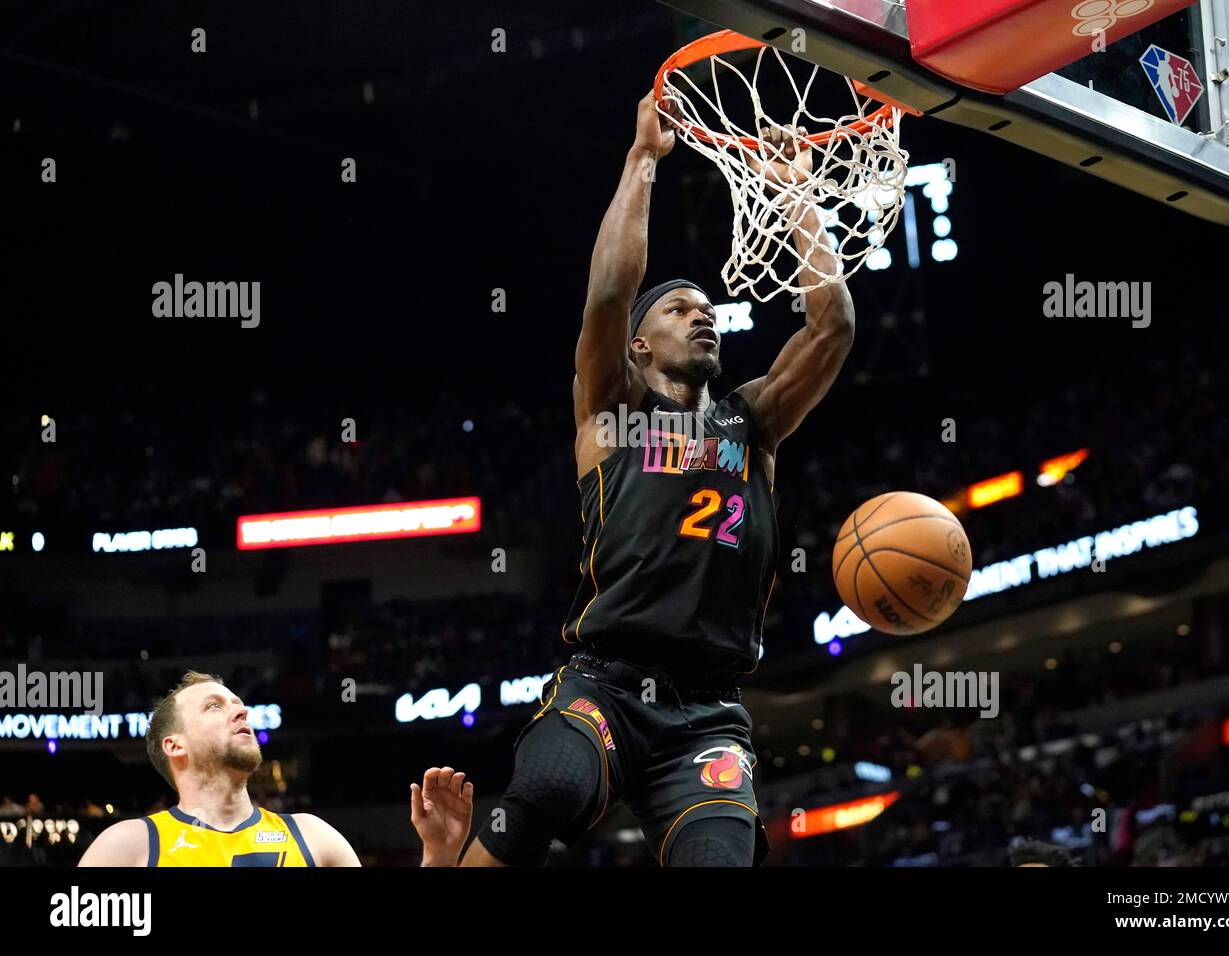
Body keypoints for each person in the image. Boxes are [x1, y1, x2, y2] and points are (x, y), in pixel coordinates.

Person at [458, 91, 856, 867]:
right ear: (638, 349)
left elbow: (832, 323)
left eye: (707, 309)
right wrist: (643, 160)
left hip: (708, 713)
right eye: (678, 310)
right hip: (604, 686)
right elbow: (608, 296)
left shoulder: (755, 422)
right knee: (542, 797)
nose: (701, 315)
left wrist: (797, 192)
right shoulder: (608, 414)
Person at [78, 671, 473, 866]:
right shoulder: (128, 847)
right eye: (214, 705)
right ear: (174, 745)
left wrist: (439, 856)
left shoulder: (314, 837)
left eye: (237, 702)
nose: (240, 709)